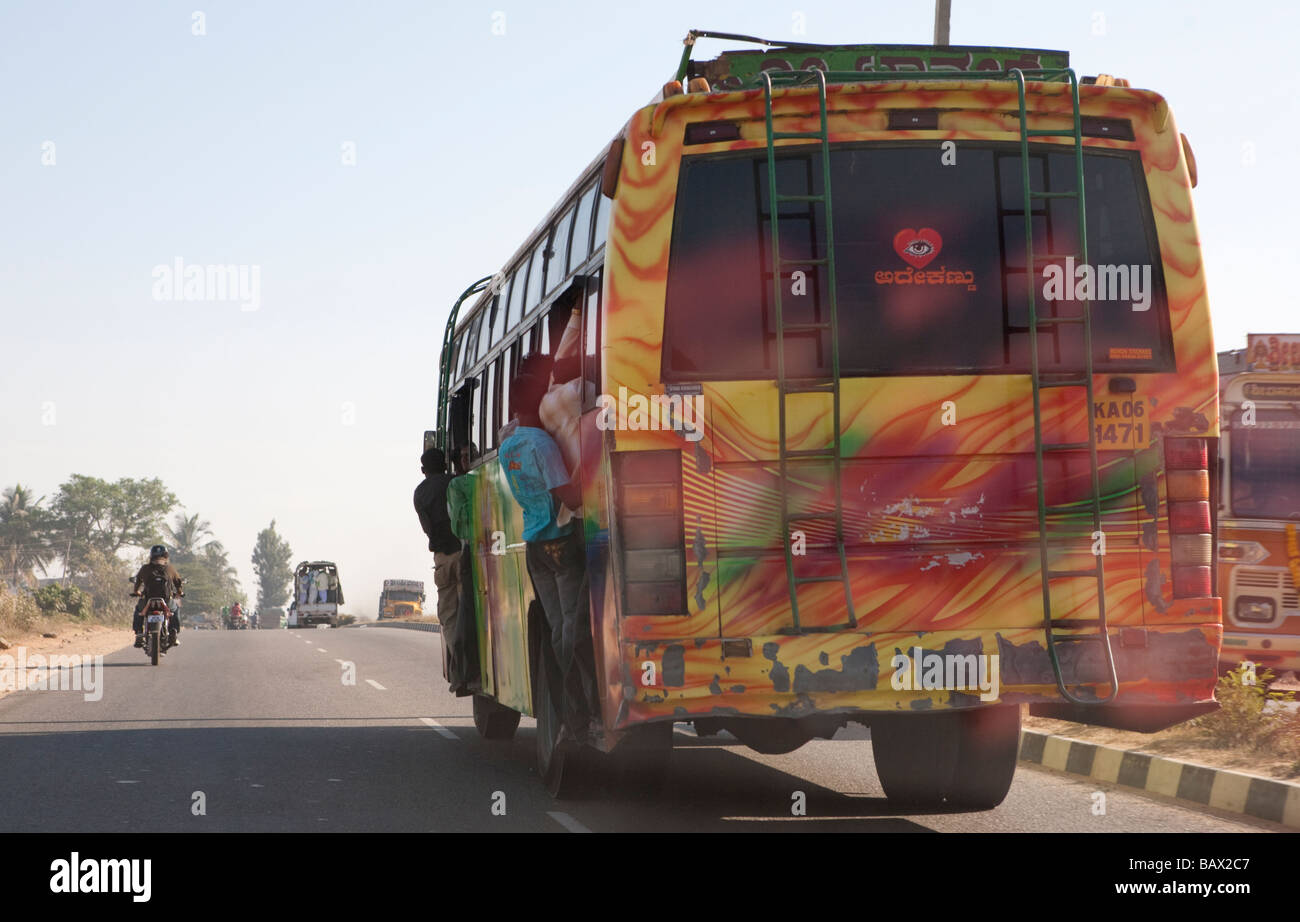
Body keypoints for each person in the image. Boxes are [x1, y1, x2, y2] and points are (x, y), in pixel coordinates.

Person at [498, 373, 598, 739]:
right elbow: (568, 496)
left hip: (534, 545)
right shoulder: (542, 444)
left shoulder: (509, 447)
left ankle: (566, 704)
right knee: (573, 626)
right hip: (559, 542)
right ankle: (579, 704)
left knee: (558, 628)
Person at [131, 544, 184, 649]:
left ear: (151, 556)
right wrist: (179, 592)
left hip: (147, 600)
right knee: (175, 610)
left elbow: (137, 581)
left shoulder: (145, 568)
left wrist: (136, 591)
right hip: (166, 601)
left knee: (138, 611)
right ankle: (173, 632)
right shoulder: (170, 568)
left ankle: (139, 633)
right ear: (166, 555)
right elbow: (178, 582)